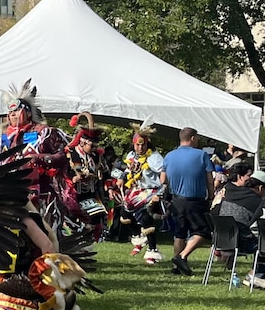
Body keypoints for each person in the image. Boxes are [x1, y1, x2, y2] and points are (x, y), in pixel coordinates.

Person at [0, 81, 72, 242]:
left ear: (28, 113)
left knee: (46, 230)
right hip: (12, 191)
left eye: (17, 110)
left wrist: (40, 158)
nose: (13, 114)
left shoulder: (44, 132)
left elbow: (63, 155)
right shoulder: (4, 138)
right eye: (11, 112)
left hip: (42, 192)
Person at [161, 127, 214, 276]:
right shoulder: (202, 155)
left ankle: (177, 268)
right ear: (192, 138)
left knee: (180, 233)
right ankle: (182, 256)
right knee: (203, 231)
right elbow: (210, 180)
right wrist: (211, 197)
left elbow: (163, 179)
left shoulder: (169, 156)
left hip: (176, 200)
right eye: (196, 138)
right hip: (195, 200)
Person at [113, 122, 167, 264]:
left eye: (143, 145)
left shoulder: (153, 158)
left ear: (147, 144)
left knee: (146, 219)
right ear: (134, 144)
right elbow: (128, 169)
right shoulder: (132, 155)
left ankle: (152, 251)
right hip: (136, 190)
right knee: (124, 216)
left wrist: (161, 191)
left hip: (152, 191)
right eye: (138, 144)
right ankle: (138, 235)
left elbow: (165, 172)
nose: (140, 147)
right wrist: (121, 178)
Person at [67, 112, 109, 242]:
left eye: (95, 146)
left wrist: (108, 183)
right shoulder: (71, 153)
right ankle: (74, 242)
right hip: (73, 193)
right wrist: (73, 178)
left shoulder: (96, 156)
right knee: (74, 221)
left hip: (90, 193)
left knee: (96, 217)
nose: (93, 149)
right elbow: (67, 170)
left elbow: (106, 172)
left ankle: (84, 244)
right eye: (91, 146)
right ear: (82, 142)